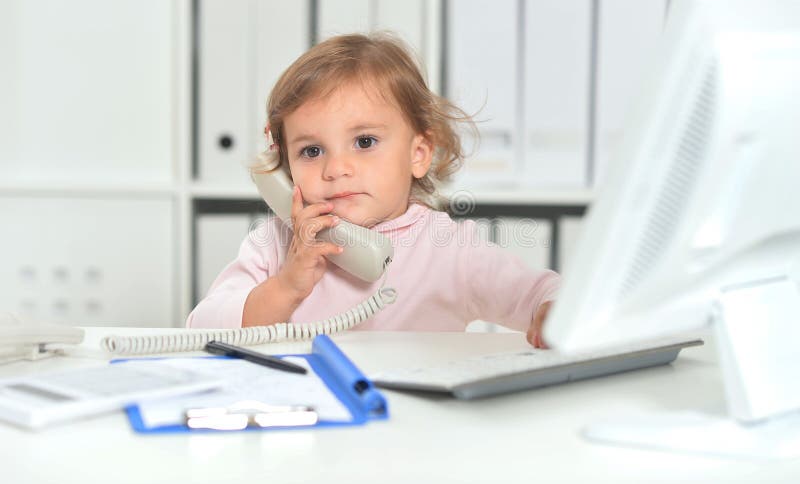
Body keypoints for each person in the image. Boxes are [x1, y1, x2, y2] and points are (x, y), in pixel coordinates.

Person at [187, 32, 559, 347]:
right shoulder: (274, 245)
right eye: (311, 151)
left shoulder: (450, 248)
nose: (335, 169)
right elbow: (201, 330)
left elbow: (540, 293)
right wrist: (286, 288)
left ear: (418, 154)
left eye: (364, 142)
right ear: (285, 166)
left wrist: (550, 310)